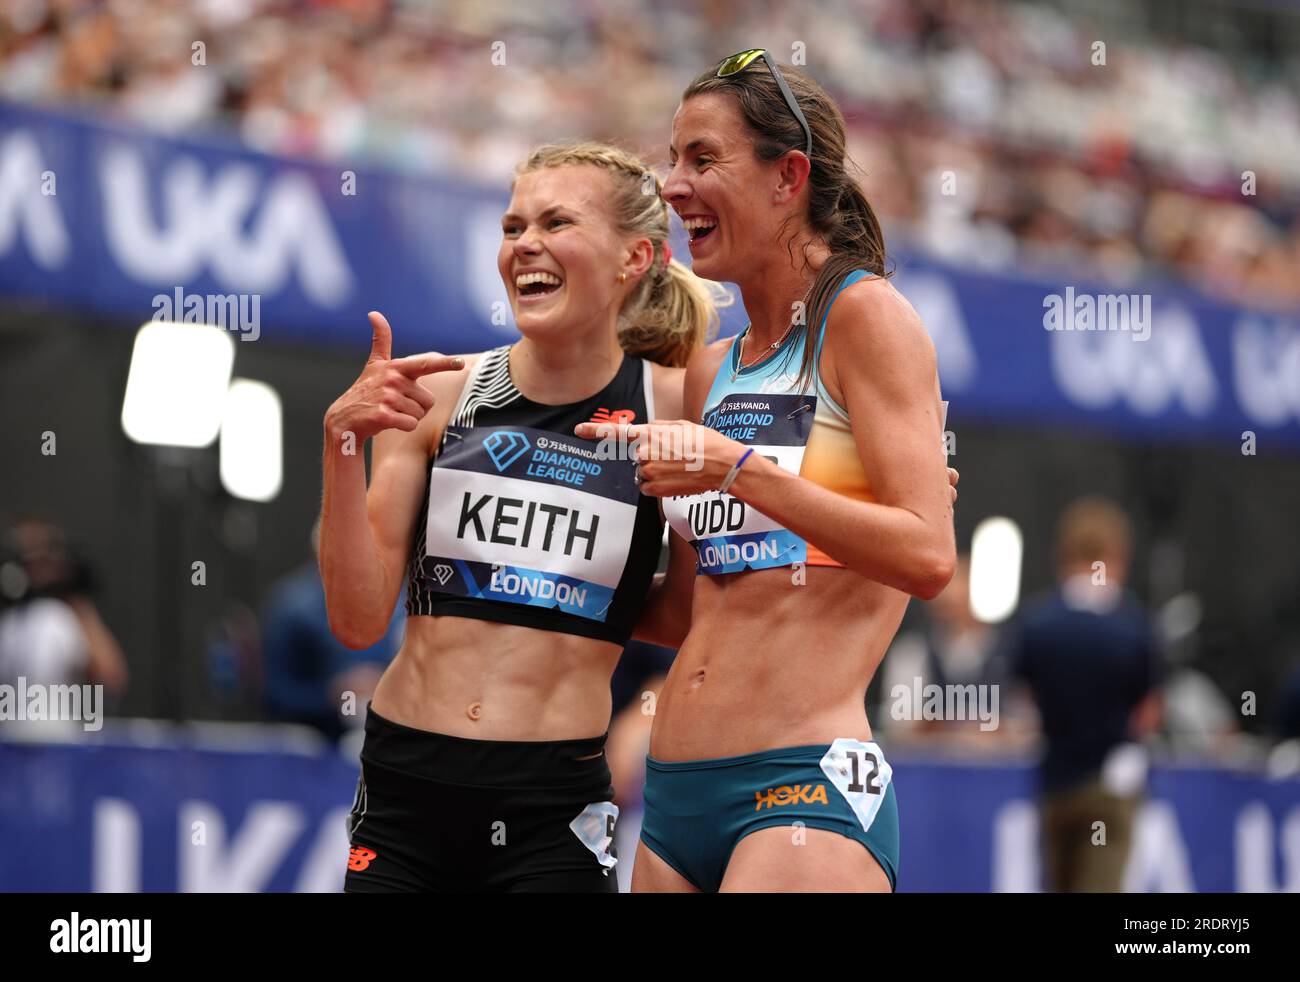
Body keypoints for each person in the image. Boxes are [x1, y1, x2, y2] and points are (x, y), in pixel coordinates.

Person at [578, 51, 956, 892]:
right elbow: (692, 610)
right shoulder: (716, 369)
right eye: (673, 159)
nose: (673, 186)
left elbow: (929, 553)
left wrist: (741, 470)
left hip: (805, 785)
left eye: (702, 159)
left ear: (789, 176)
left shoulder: (865, 317)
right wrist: (521, 592)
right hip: (675, 796)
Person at [319, 141, 726, 892]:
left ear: (636, 257)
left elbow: (689, 614)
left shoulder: (677, 403)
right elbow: (356, 618)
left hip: (553, 801)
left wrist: (562, 596)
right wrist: (342, 444)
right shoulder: (440, 391)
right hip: (408, 788)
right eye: (512, 228)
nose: (525, 244)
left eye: (556, 222)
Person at [1005, 496, 1161, 892]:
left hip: (1055, 786)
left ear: (1063, 554)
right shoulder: (1132, 626)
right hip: (1110, 788)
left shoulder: (1038, 624)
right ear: (1117, 554)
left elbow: (1023, 701)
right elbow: (1148, 709)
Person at [261, 520, 403, 741]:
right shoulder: (292, 608)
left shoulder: (400, 607)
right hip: (313, 743)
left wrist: (385, 688)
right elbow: (273, 693)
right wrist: (331, 694)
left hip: (383, 740)